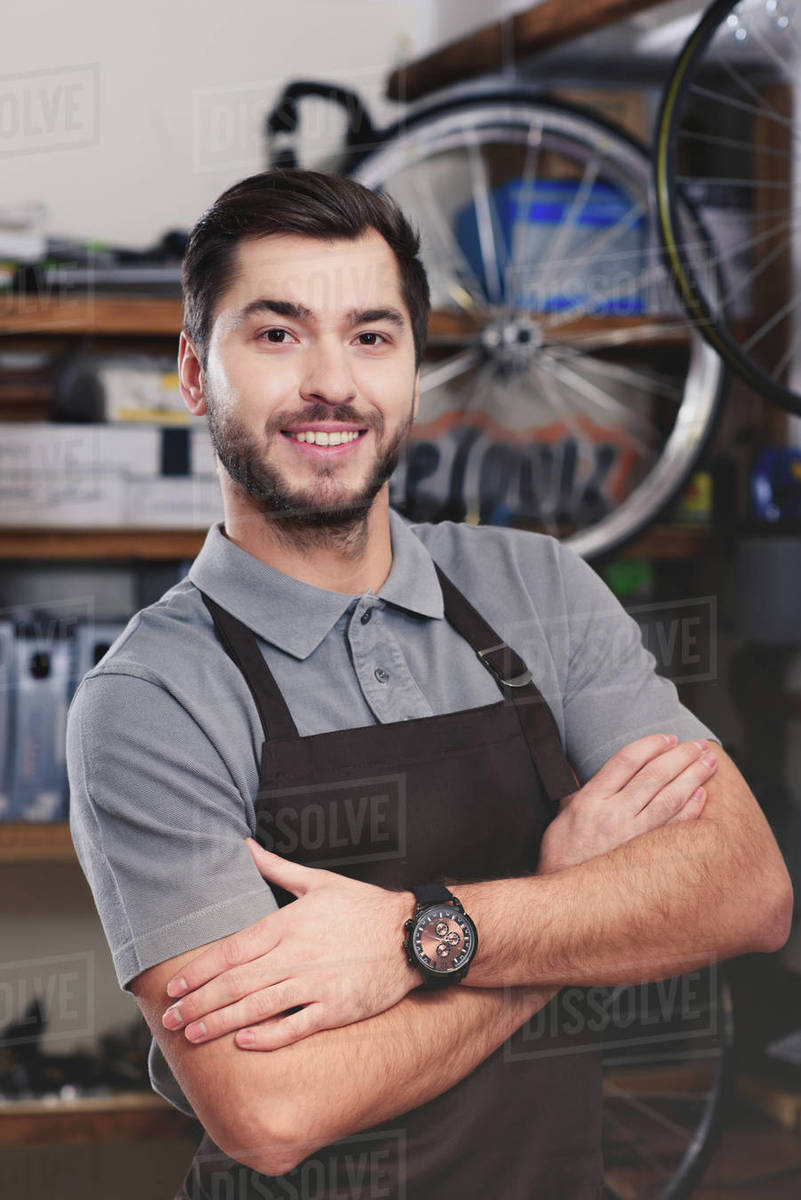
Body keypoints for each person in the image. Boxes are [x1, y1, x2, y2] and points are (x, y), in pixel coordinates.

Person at [67, 168, 793, 1200]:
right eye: (277, 335)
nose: (332, 382)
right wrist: (554, 911)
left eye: (371, 336)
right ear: (194, 369)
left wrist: (418, 938)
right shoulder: (150, 697)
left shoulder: (536, 586)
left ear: (414, 371)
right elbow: (270, 1115)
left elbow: (746, 889)